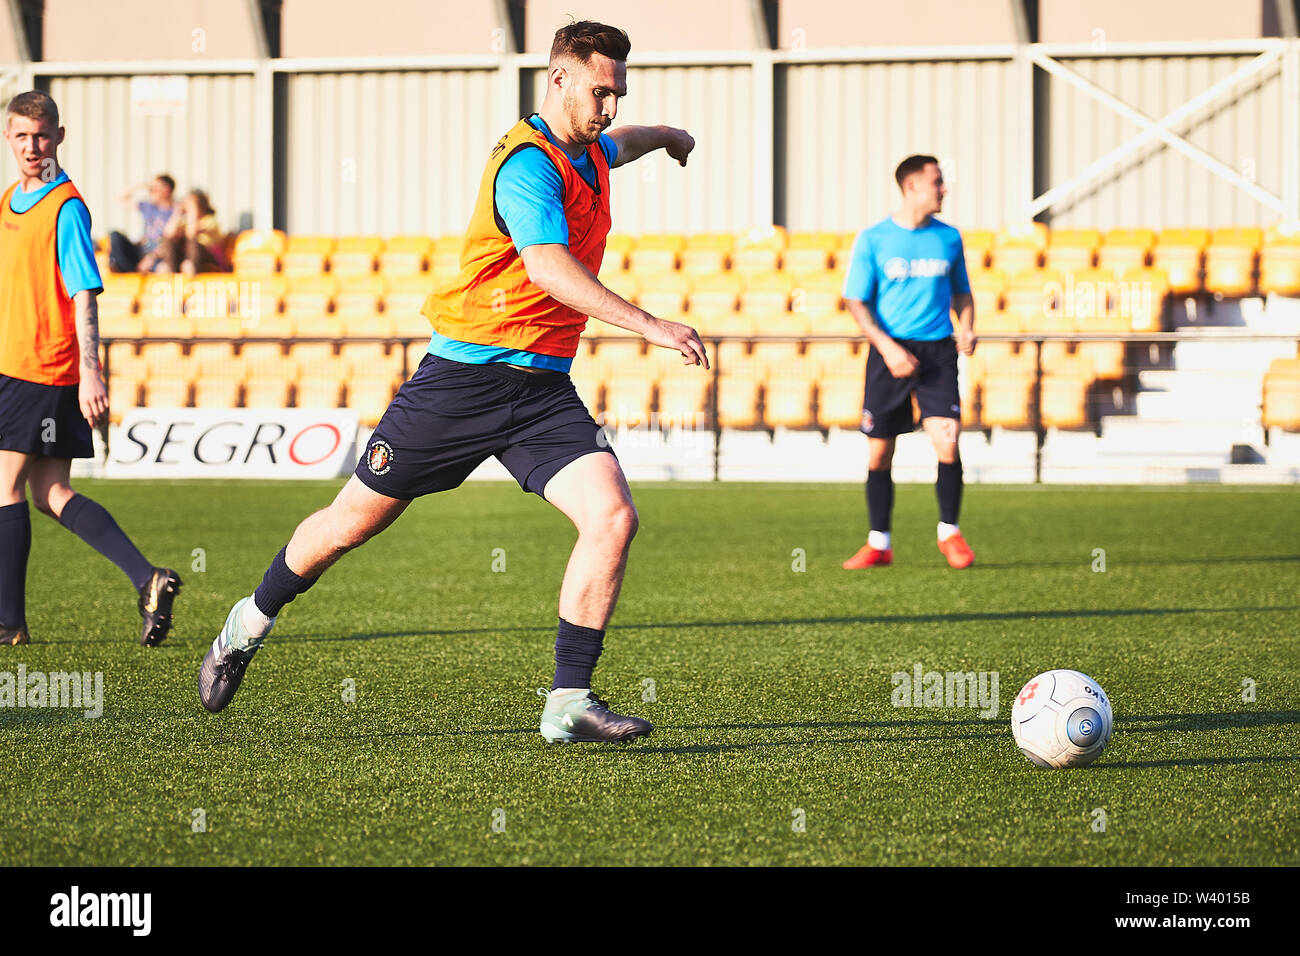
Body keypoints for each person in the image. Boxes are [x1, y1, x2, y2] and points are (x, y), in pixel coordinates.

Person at [199, 21, 706, 744]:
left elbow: (619, 146)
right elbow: (548, 270)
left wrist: (668, 135)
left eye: (619, 93)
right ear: (558, 79)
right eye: (601, 91)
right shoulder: (526, 166)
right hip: (460, 381)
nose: (611, 107)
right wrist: (655, 326)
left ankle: (567, 702)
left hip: (538, 393)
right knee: (350, 525)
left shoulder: (592, 147)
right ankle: (245, 624)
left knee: (613, 517)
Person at [0, 91, 182, 647]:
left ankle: (8, 623)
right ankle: (148, 579)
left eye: (42, 135)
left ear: (59, 136)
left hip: (42, 368)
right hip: (17, 366)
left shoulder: (66, 207)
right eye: (22, 136)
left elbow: (84, 295)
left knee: (3, 487)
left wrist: (92, 371)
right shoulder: (9, 200)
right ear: (9, 138)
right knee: (50, 491)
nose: (33, 146)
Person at [841, 154, 977, 571]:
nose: (944, 189)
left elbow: (963, 294)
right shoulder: (874, 239)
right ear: (913, 186)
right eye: (938, 182)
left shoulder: (949, 238)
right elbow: (856, 301)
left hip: (938, 353)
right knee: (880, 454)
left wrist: (967, 326)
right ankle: (879, 542)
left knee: (947, 441)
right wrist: (888, 348)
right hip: (890, 353)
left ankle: (949, 533)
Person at [108, 174, 174, 273]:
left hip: (158, 256)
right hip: (141, 251)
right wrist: (140, 185)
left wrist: (152, 257)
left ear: (167, 189)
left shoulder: (176, 211)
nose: (151, 191)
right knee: (115, 236)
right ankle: (128, 271)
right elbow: (121, 198)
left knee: (163, 268)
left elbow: (170, 241)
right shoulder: (148, 207)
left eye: (155, 188)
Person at [160, 189, 229, 276]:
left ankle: (191, 265)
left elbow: (191, 234)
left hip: (207, 256)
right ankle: (170, 267)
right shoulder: (185, 221)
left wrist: (192, 211)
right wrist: (176, 214)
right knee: (171, 241)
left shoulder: (210, 221)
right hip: (186, 256)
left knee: (193, 242)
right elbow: (168, 234)